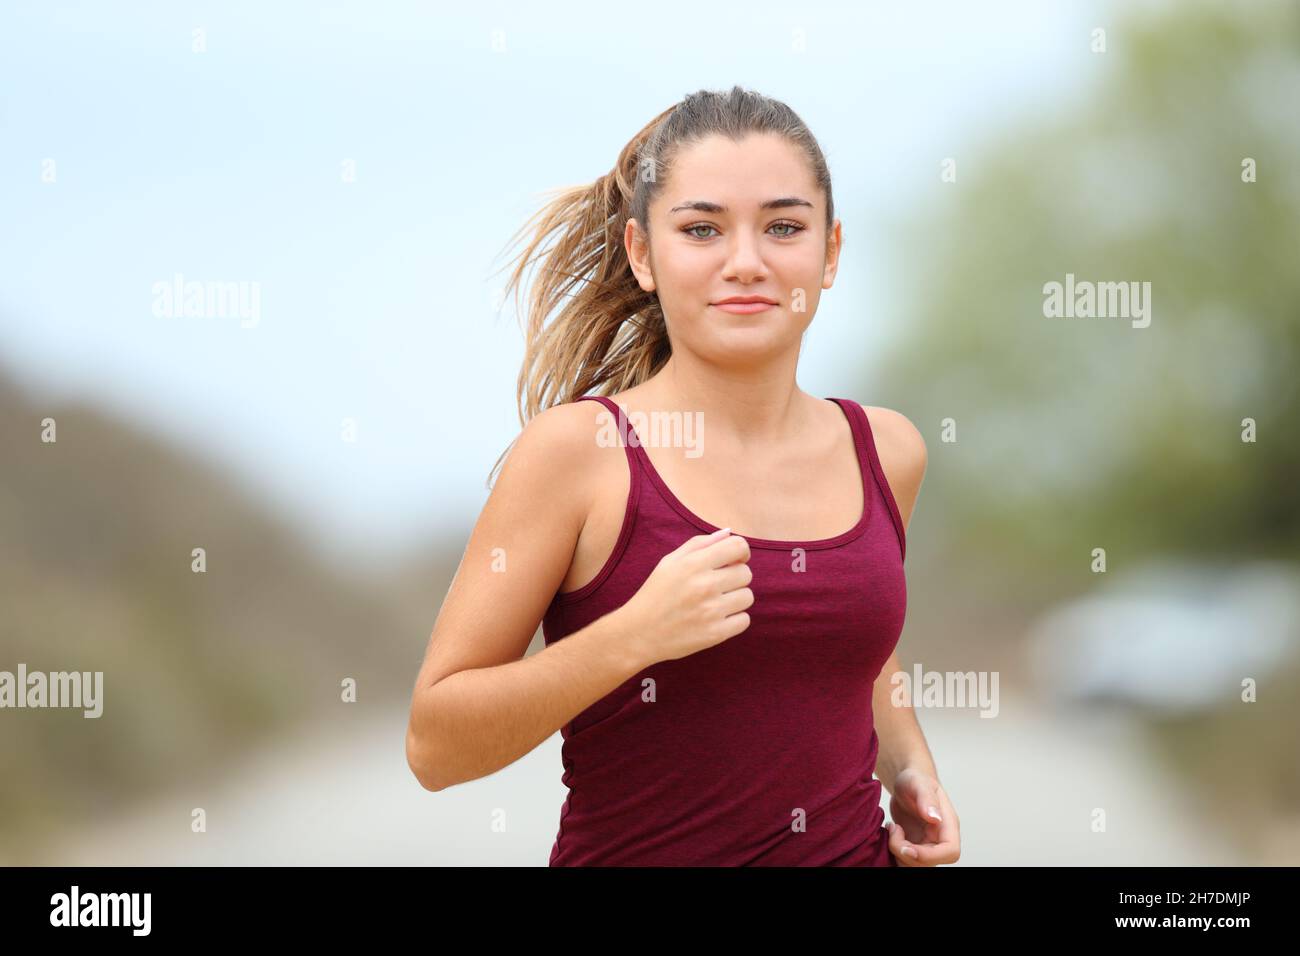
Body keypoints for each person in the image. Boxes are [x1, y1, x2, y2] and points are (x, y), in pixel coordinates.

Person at [406, 85, 960, 866]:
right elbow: (436, 745)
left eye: (784, 227)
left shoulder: (887, 449)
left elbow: (851, 650)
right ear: (643, 254)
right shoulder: (578, 456)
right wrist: (634, 636)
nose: (746, 261)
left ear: (829, 253)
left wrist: (909, 768)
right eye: (702, 229)